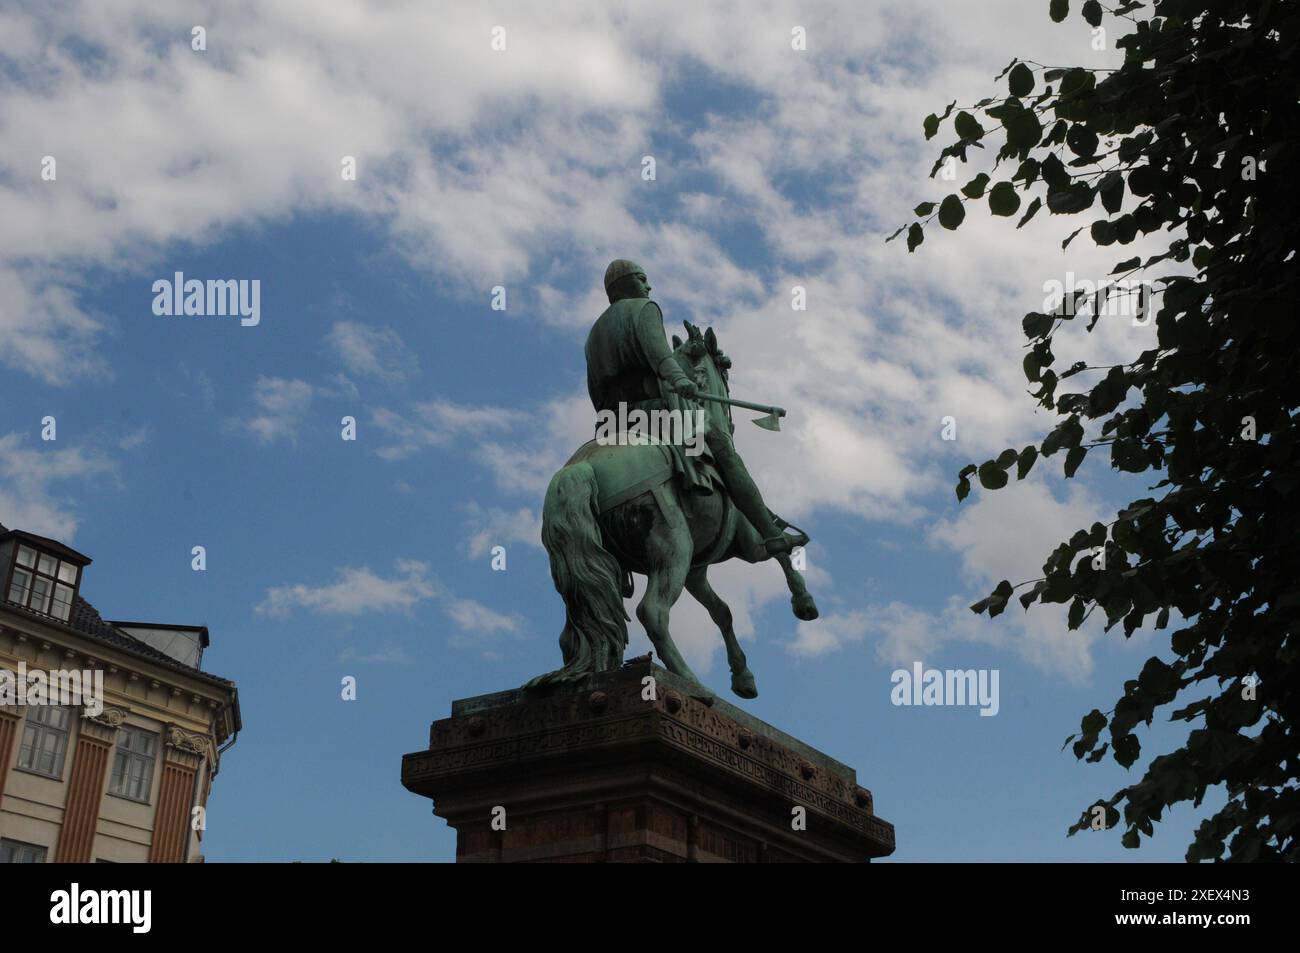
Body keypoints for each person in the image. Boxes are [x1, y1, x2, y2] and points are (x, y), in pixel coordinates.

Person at [584, 259, 797, 557]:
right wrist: (680, 379)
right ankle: (770, 534)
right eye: (643, 279)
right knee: (724, 450)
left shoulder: (594, 333)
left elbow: (594, 389)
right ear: (628, 283)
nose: (649, 286)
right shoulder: (645, 309)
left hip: (612, 423)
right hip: (656, 414)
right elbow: (659, 356)